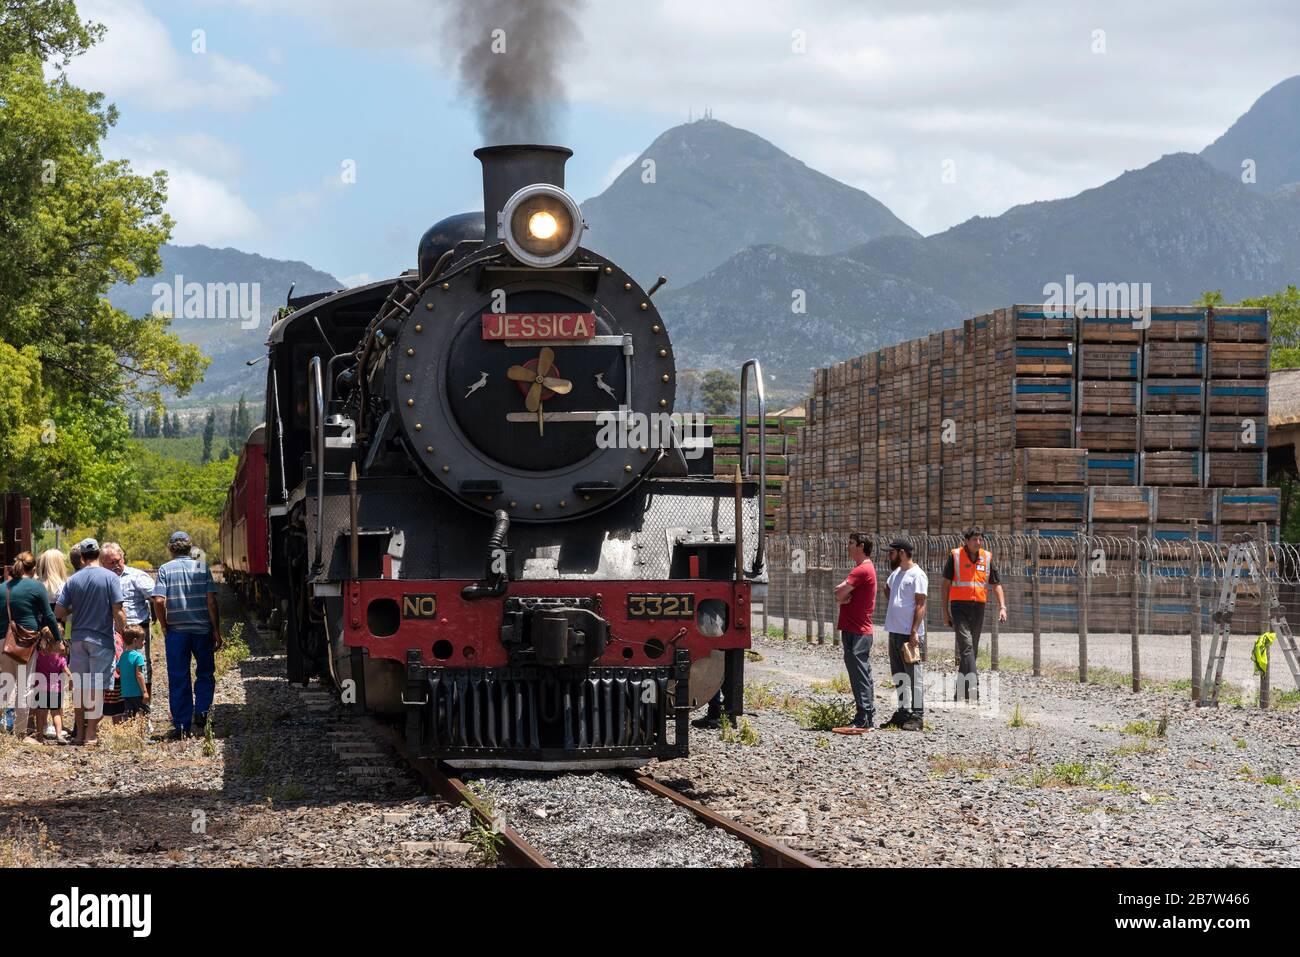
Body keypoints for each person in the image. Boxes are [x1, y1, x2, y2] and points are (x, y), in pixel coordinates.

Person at [54, 538, 125, 747]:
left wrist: (75, 607)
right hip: (101, 639)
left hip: (77, 640)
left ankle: (78, 733)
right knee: (97, 687)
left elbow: (59, 611)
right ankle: (91, 734)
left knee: (80, 687)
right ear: (98, 556)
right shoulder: (110, 578)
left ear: (83, 557)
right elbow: (117, 611)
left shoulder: (73, 580)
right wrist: (124, 631)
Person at [153, 531, 221, 739]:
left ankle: (182, 724)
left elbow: (158, 601)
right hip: (202, 631)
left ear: (171, 548)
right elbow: (211, 601)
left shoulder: (164, 569)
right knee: (205, 673)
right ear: (190, 548)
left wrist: (164, 626)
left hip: (177, 632)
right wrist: (216, 630)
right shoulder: (202, 568)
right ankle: (202, 712)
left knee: (178, 676)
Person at [941, 527, 1007, 703]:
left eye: (980, 539)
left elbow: (996, 584)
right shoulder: (954, 556)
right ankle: (973, 687)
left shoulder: (987, 557)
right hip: (959, 607)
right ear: (967, 540)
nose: (978, 543)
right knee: (967, 647)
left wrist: (1002, 606)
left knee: (971, 650)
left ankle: (960, 692)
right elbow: (946, 585)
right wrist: (945, 611)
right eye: (974, 539)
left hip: (978, 607)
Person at [1, 552, 59, 741]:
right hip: (25, 643)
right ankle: (20, 733)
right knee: (24, 687)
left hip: (2, 641)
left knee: (4, 685)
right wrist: (58, 639)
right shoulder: (36, 586)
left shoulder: (2, 588)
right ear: (33, 569)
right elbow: (49, 616)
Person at [832, 532, 878, 733]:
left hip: (858, 630)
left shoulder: (862, 569)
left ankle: (864, 717)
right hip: (855, 629)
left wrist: (841, 598)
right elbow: (841, 595)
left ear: (861, 546)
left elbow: (838, 592)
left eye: (851, 543)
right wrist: (842, 598)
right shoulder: (862, 569)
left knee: (859, 674)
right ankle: (866, 715)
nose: (848, 547)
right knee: (862, 673)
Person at [882, 537, 928, 731]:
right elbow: (887, 590)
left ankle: (917, 715)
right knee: (899, 674)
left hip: (909, 634)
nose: (889, 556)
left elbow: (920, 604)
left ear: (901, 553)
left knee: (913, 675)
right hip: (894, 630)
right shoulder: (896, 574)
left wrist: (914, 632)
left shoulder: (917, 575)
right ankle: (903, 711)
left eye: (892, 553)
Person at [102, 543, 153, 690]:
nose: (116, 565)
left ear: (123, 558)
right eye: (111, 563)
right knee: (116, 666)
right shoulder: (101, 579)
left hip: (136, 629)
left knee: (141, 664)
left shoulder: (136, 576)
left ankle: (144, 701)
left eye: (118, 560)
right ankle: (124, 702)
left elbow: (156, 595)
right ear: (103, 563)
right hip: (112, 632)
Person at [33, 630, 71, 742]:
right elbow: (67, 672)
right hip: (55, 690)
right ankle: (59, 735)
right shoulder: (59, 657)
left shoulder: (39, 655)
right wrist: (71, 681)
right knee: (56, 713)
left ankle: (39, 736)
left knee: (40, 713)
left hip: (41, 689)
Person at [116, 624, 150, 721]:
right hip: (137, 692)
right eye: (142, 640)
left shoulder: (123, 656)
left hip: (126, 693)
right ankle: (145, 731)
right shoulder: (138, 656)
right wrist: (145, 692)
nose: (144, 642)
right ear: (135, 641)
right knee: (145, 712)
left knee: (130, 716)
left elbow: (118, 670)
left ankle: (129, 732)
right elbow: (139, 674)